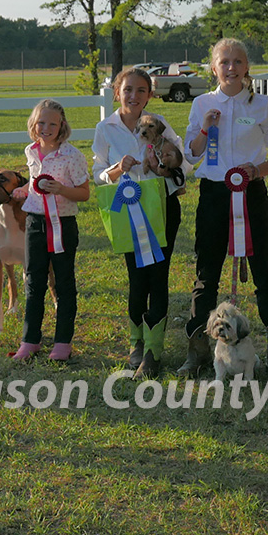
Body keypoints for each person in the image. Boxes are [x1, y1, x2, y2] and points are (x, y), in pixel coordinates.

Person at [180, 37, 268, 381]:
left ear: (247, 67)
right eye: (224, 62)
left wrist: (256, 170)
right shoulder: (201, 103)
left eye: (238, 61)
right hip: (214, 194)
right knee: (206, 274)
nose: (231, 68)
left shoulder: (262, 105)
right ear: (214, 67)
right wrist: (205, 128)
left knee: (266, 274)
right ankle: (198, 352)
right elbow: (191, 154)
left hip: (251, 193)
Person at [92, 67, 186, 378]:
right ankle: (137, 342)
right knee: (136, 277)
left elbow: (182, 162)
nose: (134, 96)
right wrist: (117, 169)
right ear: (117, 92)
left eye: (141, 90)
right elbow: (98, 174)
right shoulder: (105, 128)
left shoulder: (159, 123)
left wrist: (165, 164)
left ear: (150, 95)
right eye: (128, 90)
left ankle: (153, 351)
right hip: (127, 211)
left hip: (162, 207)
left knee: (158, 276)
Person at [10, 99, 90, 362]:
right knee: (33, 282)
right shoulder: (31, 151)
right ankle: (30, 340)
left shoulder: (72, 156)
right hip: (35, 223)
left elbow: (84, 193)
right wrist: (24, 190)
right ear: (33, 124)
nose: (46, 129)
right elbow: (35, 184)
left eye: (52, 124)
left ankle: (62, 342)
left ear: (62, 125)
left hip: (63, 226)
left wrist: (62, 190)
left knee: (64, 283)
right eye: (41, 123)